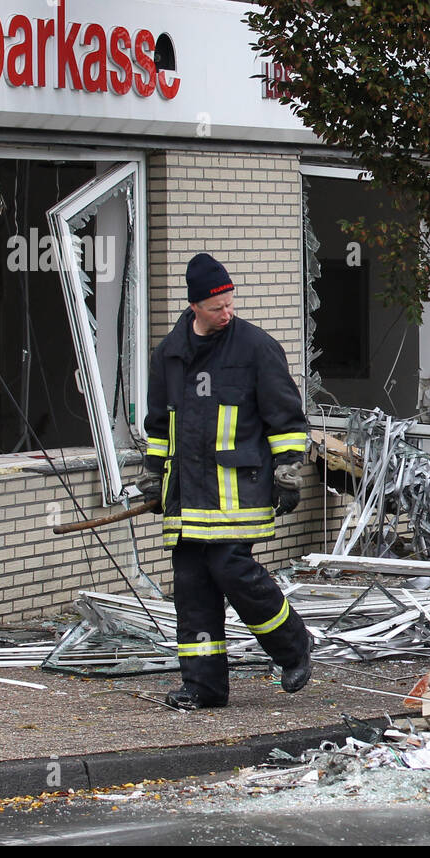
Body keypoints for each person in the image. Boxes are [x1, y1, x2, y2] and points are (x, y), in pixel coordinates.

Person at [137, 252, 313, 710]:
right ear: (195, 306)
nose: (228, 313)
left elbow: (286, 417)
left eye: (231, 303)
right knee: (193, 590)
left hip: (237, 490)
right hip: (185, 496)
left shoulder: (255, 348)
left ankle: (294, 646)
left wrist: (288, 469)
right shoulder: (168, 356)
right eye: (218, 306)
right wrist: (154, 476)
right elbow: (159, 426)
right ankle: (203, 688)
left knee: (231, 569)